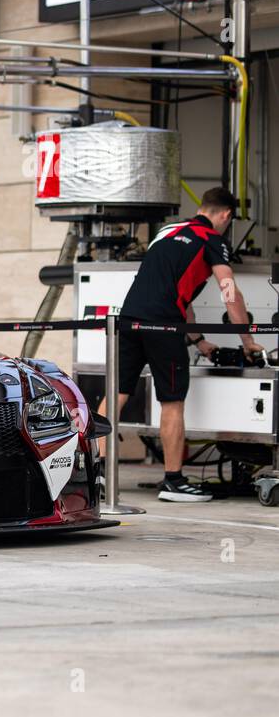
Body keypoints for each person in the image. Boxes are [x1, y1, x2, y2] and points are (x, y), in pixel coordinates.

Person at [97, 187, 263, 502]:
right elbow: (230, 292)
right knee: (172, 402)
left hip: (129, 318)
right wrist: (248, 340)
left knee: (115, 394)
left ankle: (95, 474)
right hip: (163, 325)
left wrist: (198, 341)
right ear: (225, 215)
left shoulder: (167, 232)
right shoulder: (213, 239)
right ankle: (173, 481)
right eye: (229, 221)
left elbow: (174, 288)